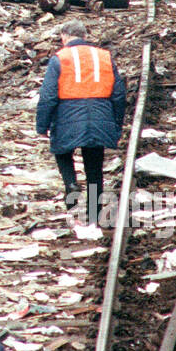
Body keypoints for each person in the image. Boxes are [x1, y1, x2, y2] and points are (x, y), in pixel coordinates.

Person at [35, 21, 127, 225]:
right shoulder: (104, 57)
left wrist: (42, 125)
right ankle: (94, 213)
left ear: (64, 36)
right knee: (94, 167)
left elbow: (48, 96)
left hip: (68, 116)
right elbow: (119, 94)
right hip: (100, 114)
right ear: (84, 35)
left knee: (62, 151)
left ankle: (71, 184)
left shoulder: (59, 58)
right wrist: (116, 123)